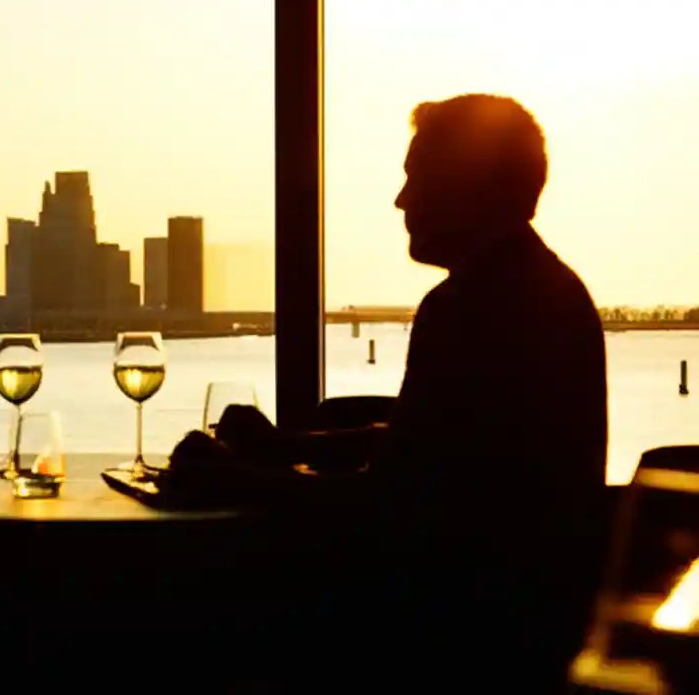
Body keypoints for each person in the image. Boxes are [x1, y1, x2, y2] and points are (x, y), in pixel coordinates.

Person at [182, 94, 608, 685]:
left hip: (462, 638)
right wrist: (284, 447)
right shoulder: (546, 288)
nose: (401, 200)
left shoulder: (468, 307)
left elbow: (393, 504)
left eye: (417, 178)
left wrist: (233, 479)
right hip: (533, 621)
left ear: (467, 184)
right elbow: (435, 451)